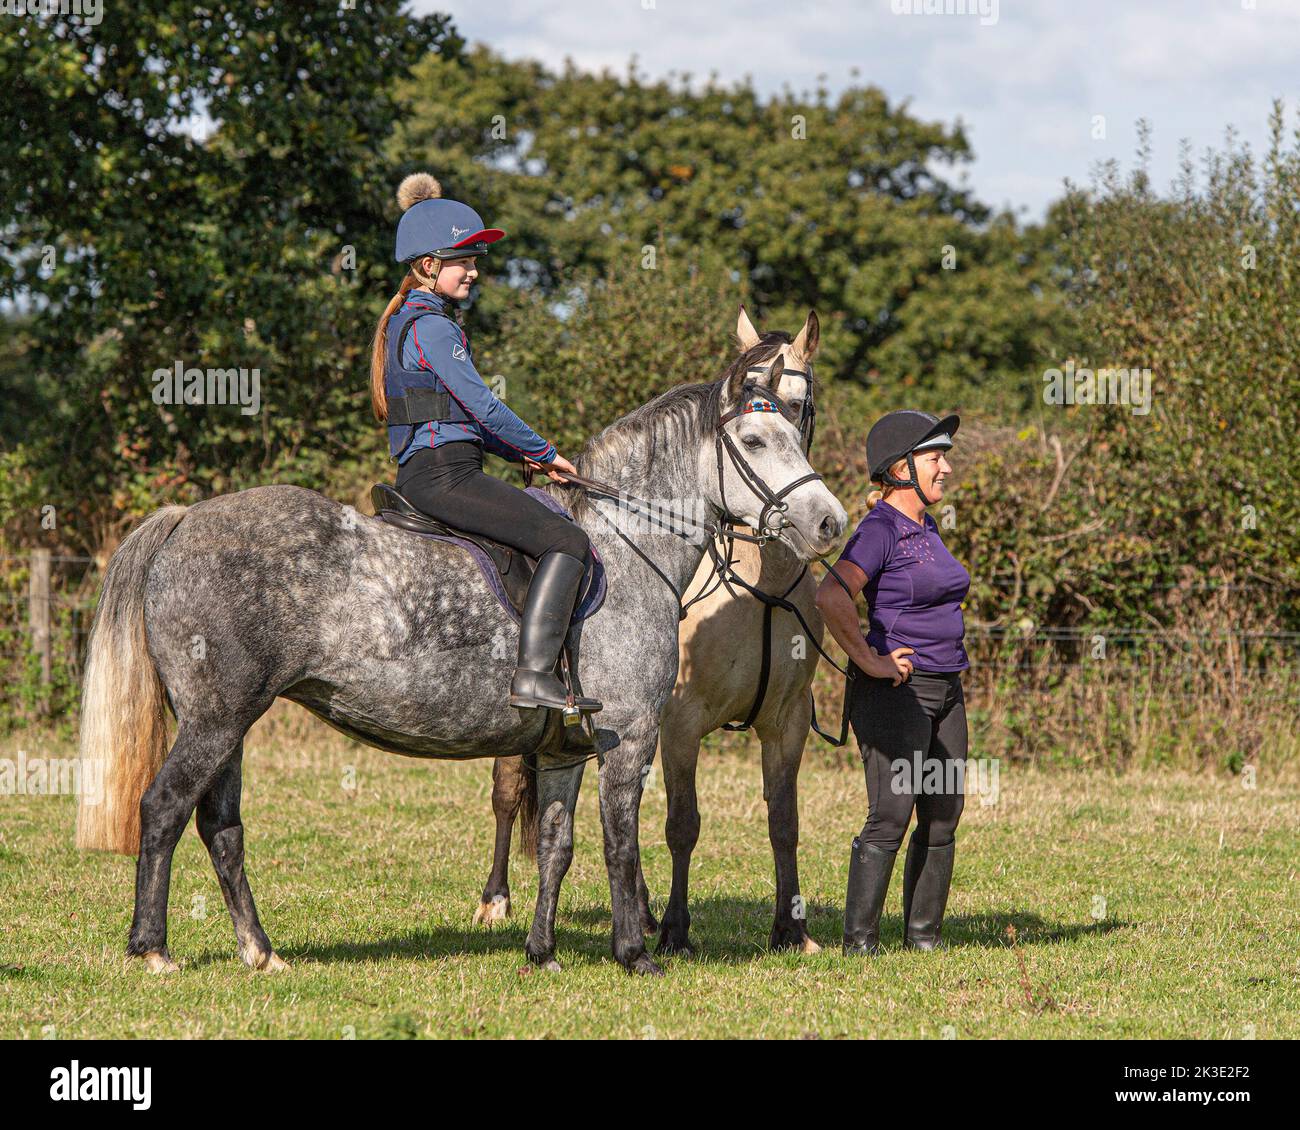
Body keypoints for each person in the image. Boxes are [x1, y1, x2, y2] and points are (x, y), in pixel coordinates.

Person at [369, 172, 600, 715]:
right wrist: (544, 450)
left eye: (476, 261)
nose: (474, 272)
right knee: (567, 540)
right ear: (429, 266)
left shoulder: (411, 321)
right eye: (464, 261)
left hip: (438, 468)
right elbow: (485, 406)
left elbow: (461, 420)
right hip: (444, 476)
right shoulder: (433, 327)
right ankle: (536, 677)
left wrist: (524, 458)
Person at [815, 410, 970, 953]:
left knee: (943, 813)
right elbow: (832, 595)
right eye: (935, 457)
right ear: (900, 467)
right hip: (896, 692)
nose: (945, 468)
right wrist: (871, 659)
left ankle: (922, 940)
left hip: (947, 686)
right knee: (892, 814)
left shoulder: (924, 527)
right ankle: (859, 944)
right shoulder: (880, 528)